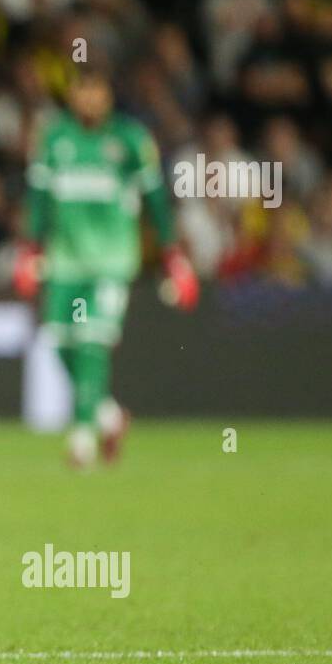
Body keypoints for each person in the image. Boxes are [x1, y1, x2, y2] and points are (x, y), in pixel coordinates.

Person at [14, 66, 197, 467]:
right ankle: (109, 417)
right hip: (64, 260)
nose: (89, 98)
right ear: (72, 95)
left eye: (96, 90)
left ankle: (81, 440)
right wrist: (29, 249)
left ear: (108, 94)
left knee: (92, 340)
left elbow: (156, 202)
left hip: (112, 262)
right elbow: (38, 198)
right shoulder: (54, 138)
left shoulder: (131, 140)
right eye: (82, 90)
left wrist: (173, 256)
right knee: (61, 342)